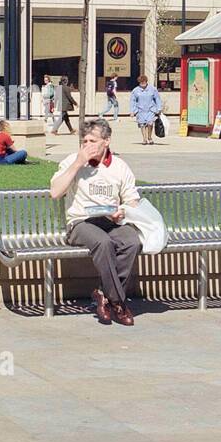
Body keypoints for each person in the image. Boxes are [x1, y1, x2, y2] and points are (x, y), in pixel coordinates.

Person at [50, 120, 142, 326]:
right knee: (103, 242)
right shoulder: (72, 162)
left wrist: (122, 211)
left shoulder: (119, 166)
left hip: (111, 222)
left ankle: (103, 293)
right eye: (84, 141)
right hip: (80, 223)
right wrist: (77, 163)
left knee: (132, 242)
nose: (87, 145)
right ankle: (118, 302)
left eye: (93, 140)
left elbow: (132, 200)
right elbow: (55, 192)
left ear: (106, 142)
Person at [130, 74, 163, 145]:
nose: (143, 84)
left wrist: (159, 108)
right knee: (142, 125)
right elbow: (133, 101)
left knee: (150, 123)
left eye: (144, 82)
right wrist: (132, 111)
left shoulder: (153, 89)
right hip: (140, 110)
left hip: (150, 109)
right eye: (141, 83)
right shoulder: (135, 90)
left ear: (146, 81)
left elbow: (157, 99)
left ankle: (149, 137)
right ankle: (144, 139)